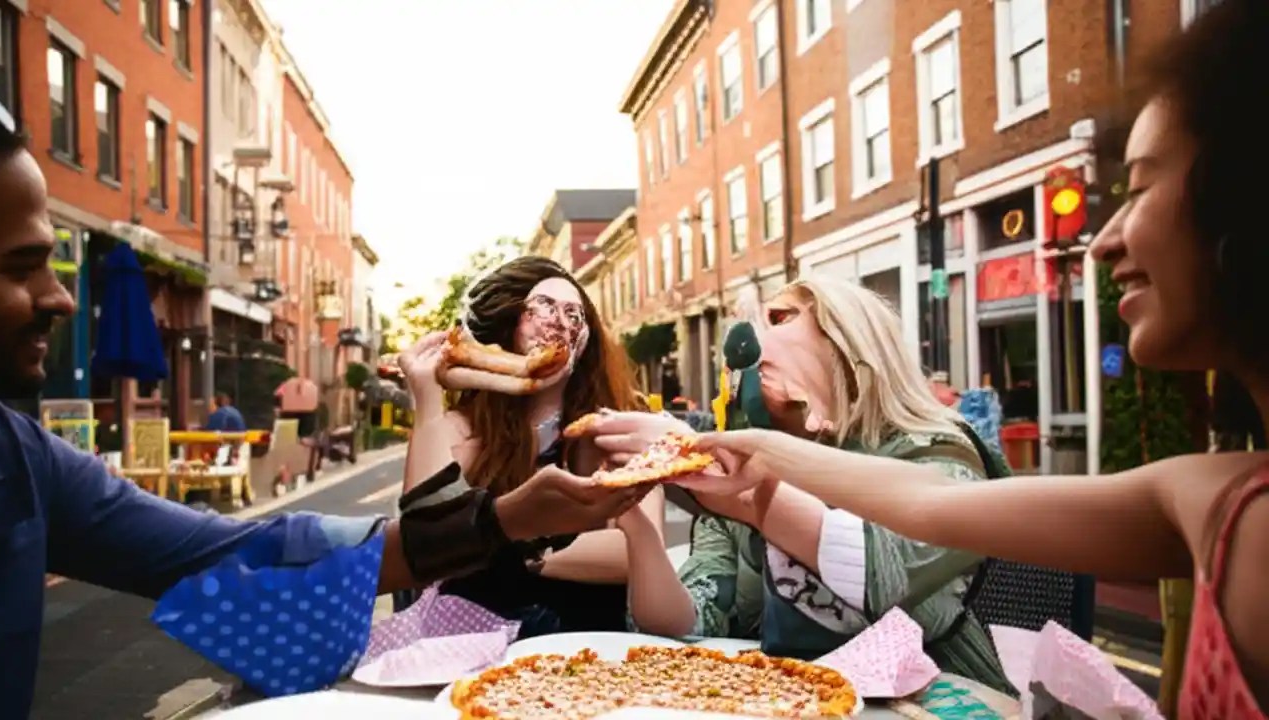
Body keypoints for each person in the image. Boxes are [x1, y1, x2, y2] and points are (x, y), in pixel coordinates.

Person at [676, 2, 1269, 713]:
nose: (1106, 241)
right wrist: (735, 453)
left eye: (1139, 187)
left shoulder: (1228, 511)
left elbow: (895, 551)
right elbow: (927, 507)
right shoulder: (1206, 493)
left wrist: (750, 469)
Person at [0, 105, 648, 719]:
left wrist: (507, 522)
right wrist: (500, 511)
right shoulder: (466, 425)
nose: (61, 298)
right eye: (23, 267)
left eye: (573, 313)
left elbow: (242, 552)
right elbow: (417, 516)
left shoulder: (26, 463)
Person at [594, 279, 1010, 691]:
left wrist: (728, 480)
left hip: (942, 699)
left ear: (847, 340)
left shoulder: (936, 448)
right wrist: (638, 525)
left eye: (778, 317)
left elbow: (886, 574)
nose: (749, 341)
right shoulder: (742, 463)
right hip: (797, 698)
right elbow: (687, 622)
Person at [395, 256, 661, 637]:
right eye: (543, 307)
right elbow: (426, 542)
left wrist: (515, 553)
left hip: (588, 639)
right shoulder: (460, 430)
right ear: (507, 327)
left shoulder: (615, 427)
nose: (559, 322)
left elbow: (636, 552)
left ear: (587, 338)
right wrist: (428, 397)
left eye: (574, 314)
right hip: (472, 642)